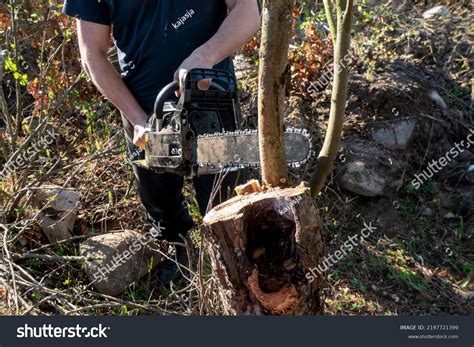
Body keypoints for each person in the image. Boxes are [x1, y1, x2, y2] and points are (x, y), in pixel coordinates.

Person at [63, 0, 261, 285]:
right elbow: (92, 53)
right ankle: (177, 248)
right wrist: (137, 118)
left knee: (225, 195)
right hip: (144, 105)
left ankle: (237, 264)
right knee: (158, 195)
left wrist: (206, 55)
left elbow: (248, 11)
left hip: (211, 92)